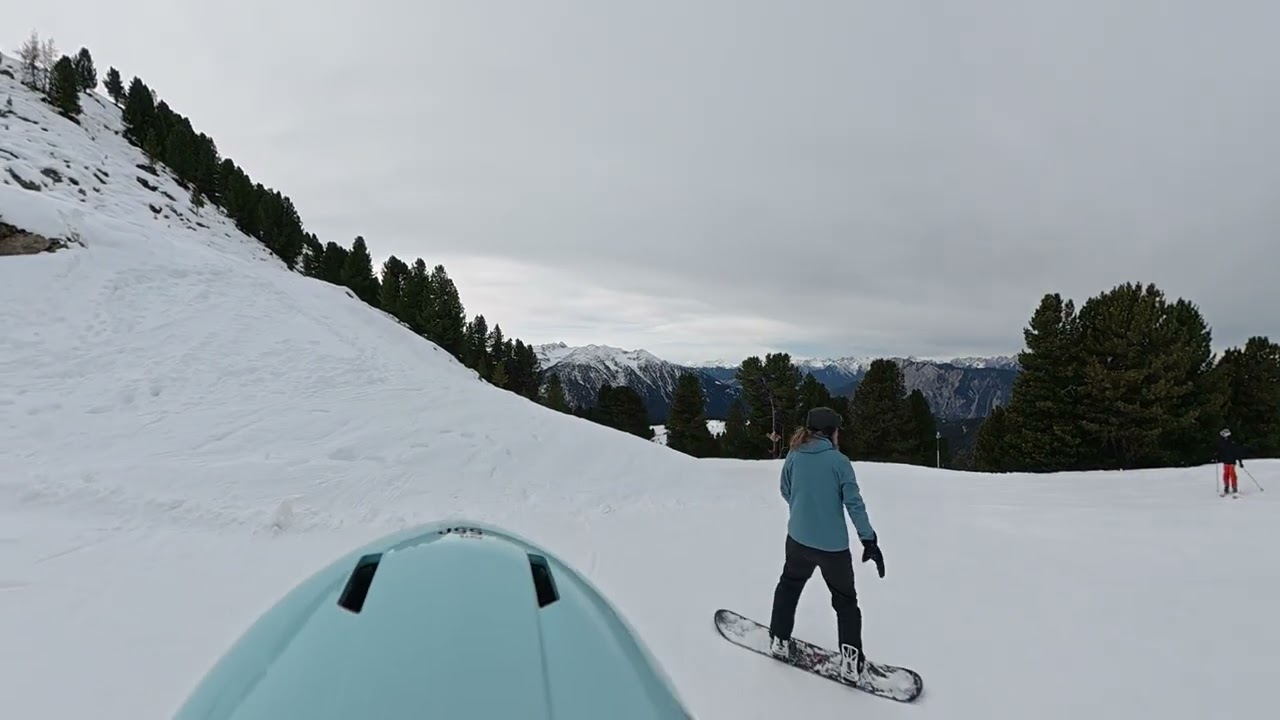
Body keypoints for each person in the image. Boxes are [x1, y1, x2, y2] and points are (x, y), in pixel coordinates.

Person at [768, 406, 886, 684]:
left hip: (797, 539)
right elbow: (854, 505)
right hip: (832, 548)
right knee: (845, 602)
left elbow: (785, 489)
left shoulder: (794, 454)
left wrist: (804, 511)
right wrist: (868, 540)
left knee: (789, 586)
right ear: (831, 432)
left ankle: (779, 641)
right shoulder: (839, 462)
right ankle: (850, 662)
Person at [1217, 428, 1246, 495]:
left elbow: (1238, 452)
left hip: (1232, 461)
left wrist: (1240, 462)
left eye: (1224, 435)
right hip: (1225, 461)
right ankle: (1226, 487)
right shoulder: (1223, 442)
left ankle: (1234, 487)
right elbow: (1221, 450)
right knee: (1225, 475)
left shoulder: (1233, 442)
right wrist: (1217, 455)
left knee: (1232, 474)